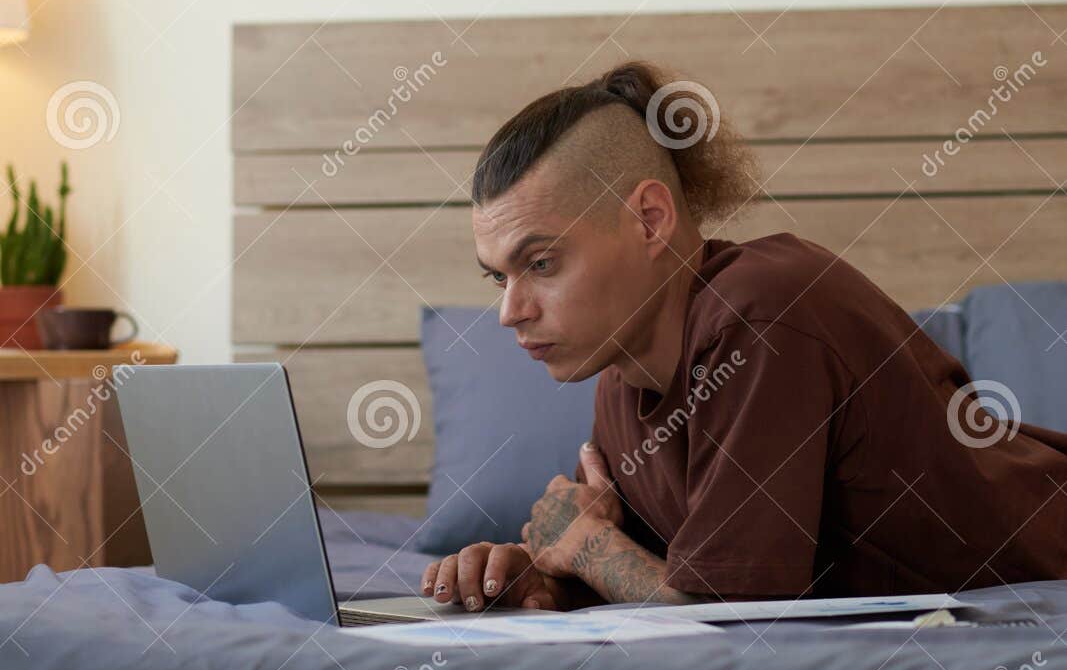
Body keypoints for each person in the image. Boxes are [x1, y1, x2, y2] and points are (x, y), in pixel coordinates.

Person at [423, 60, 1067, 612]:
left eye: (541, 263)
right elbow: (639, 569)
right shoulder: (622, 379)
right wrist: (528, 578)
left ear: (649, 219)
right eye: (498, 278)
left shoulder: (763, 313)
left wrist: (587, 548)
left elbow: (733, 618)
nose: (510, 312)